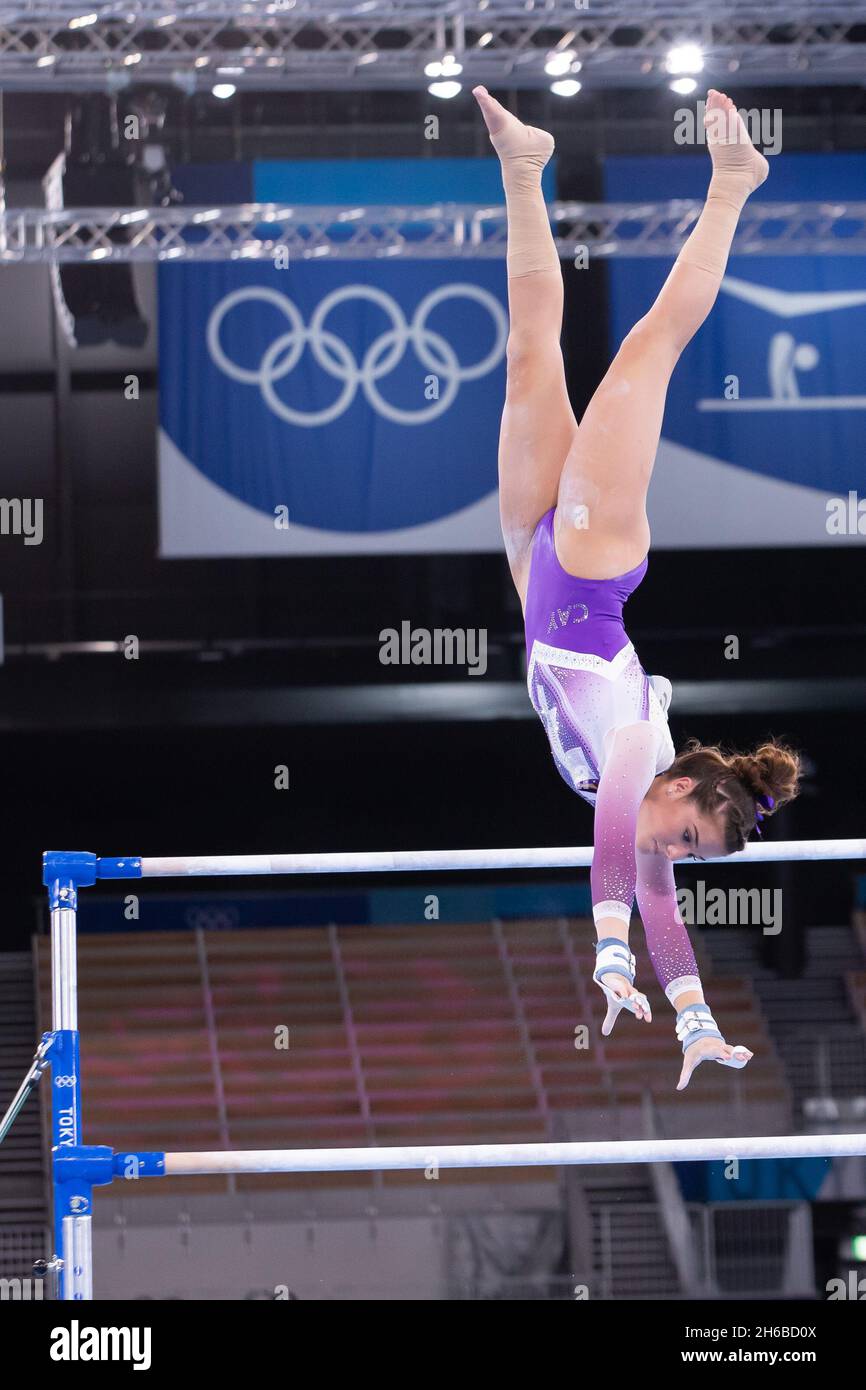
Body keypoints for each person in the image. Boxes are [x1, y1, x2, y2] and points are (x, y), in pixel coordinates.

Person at [473, 85, 802, 1090]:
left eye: (687, 852)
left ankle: (522, 165)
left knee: (529, 356)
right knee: (644, 347)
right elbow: (618, 860)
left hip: (536, 570)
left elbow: (653, 899)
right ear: (681, 788)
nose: (673, 849)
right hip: (591, 562)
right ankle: (732, 187)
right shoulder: (633, 751)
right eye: (688, 833)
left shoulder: (648, 816)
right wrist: (607, 952)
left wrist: (692, 1018)